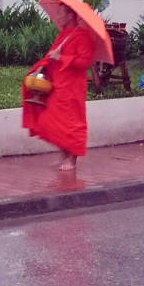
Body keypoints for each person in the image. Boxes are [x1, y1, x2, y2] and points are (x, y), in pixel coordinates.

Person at [23, 13, 96, 171]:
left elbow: (85, 62)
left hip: (72, 86)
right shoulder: (64, 34)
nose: (59, 16)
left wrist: (61, 57)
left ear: (71, 15)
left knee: (71, 122)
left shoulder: (82, 36)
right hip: (57, 83)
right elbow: (53, 56)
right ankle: (63, 155)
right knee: (49, 121)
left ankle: (72, 160)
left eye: (63, 11)